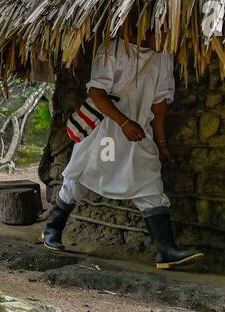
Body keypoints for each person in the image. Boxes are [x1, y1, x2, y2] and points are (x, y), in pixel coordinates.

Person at [42, 39, 204, 269]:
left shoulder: (163, 56)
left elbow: (159, 103)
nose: (168, 34)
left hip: (138, 130)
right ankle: (53, 229)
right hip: (104, 128)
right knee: (78, 176)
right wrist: (124, 123)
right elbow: (97, 92)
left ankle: (166, 250)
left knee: (149, 182)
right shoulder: (112, 48)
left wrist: (161, 141)